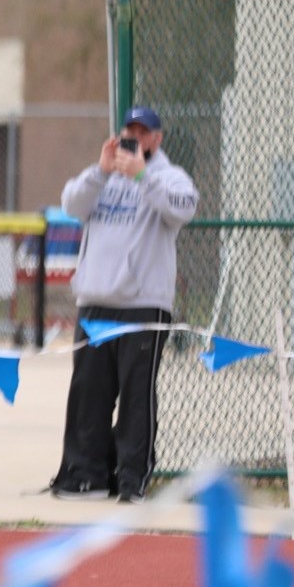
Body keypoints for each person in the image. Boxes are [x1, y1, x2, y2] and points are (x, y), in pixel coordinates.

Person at [50, 105, 197, 503]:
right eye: (129, 130)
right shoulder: (102, 178)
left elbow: (183, 206)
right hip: (96, 302)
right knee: (89, 393)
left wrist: (142, 176)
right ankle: (85, 476)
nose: (135, 137)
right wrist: (102, 170)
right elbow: (71, 204)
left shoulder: (168, 177)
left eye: (143, 131)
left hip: (143, 306)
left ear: (157, 138)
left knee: (136, 396)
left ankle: (132, 479)